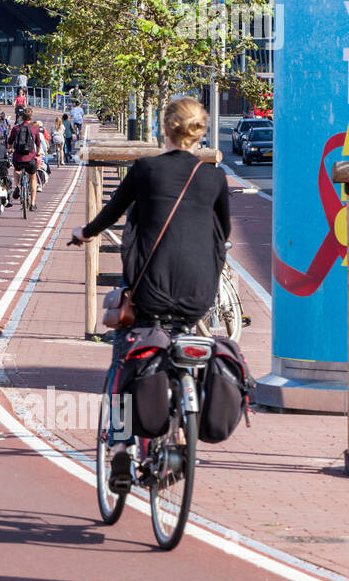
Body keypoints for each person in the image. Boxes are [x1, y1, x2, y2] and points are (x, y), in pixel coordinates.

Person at [71, 97, 230, 489]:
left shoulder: (145, 169)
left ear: (165, 127)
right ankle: (181, 412)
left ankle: (122, 450)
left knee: (125, 359)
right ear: (200, 131)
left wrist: (86, 234)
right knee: (182, 344)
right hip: (198, 293)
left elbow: (113, 211)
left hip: (151, 289)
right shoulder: (214, 177)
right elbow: (223, 233)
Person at [7, 107, 41, 209]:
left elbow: (9, 142)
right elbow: (38, 144)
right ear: (31, 116)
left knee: (16, 171)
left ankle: (17, 186)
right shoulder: (35, 128)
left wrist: (10, 150)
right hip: (30, 159)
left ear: (22, 117)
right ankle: (33, 203)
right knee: (33, 177)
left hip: (18, 158)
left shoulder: (16, 128)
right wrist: (38, 153)